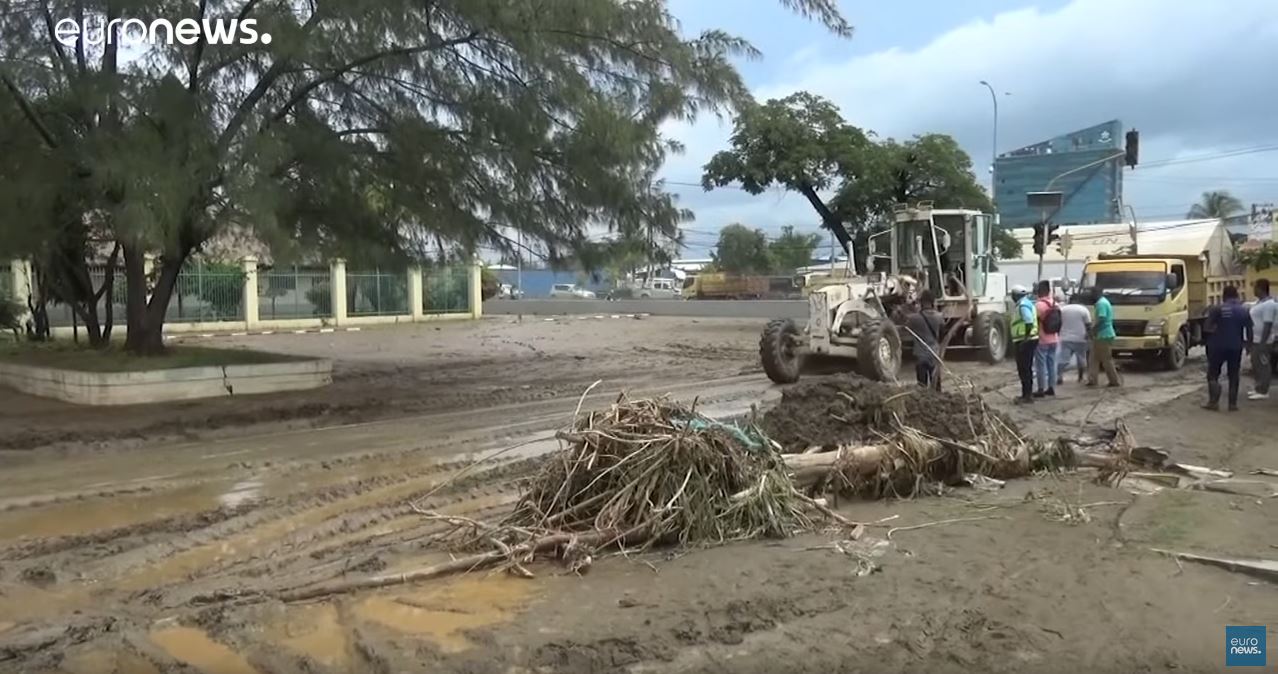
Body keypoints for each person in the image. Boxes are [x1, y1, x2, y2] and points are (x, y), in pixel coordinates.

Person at [1203, 285, 1253, 411]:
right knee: (1234, 375)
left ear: (1224, 296)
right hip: (1236, 347)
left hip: (1217, 346)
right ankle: (1232, 404)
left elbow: (1207, 327)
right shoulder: (1244, 310)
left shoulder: (1217, 309)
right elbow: (1249, 330)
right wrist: (1249, 345)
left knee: (1213, 374)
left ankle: (1213, 401)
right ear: (1237, 295)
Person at [906, 290, 943, 390]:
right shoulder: (939, 317)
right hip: (934, 355)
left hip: (920, 356)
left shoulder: (914, 318)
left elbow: (906, 328)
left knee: (922, 388)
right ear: (933, 302)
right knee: (936, 388)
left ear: (921, 302)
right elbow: (942, 335)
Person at [1086, 287, 1121, 388]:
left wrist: (1093, 329)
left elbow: (1101, 318)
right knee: (1094, 358)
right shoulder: (1104, 302)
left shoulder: (1101, 304)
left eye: (1092, 293)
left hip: (1103, 335)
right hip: (1103, 334)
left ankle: (1114, 380)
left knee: (1106, 359)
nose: (1091, 296)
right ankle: (1092, 379)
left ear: (1096, 293)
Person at [1248, 278, 1276, 400]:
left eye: (1255, 287)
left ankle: (1263, 390)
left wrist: (1263, 342)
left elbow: (1267, 324)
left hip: (1262, 340)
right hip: (1255, 339)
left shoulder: (1269, 305)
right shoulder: (1259, 303)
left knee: (1263, 364)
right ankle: (1258, 387)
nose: (1253, 290)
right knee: (1256, 363)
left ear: (1260, 289)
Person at [1010, 284, 1039, 404]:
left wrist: (1026, 338)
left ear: (1016, 295)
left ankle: (1027, 395)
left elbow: (1028, 321)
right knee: (1026, 368)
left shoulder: (1023, 305)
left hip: (1025, 340)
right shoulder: (1027, 303)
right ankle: (1027, 394)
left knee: (1024, 369)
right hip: (1028, 339)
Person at [1056, 293, 1092, 385]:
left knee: (1063, 359)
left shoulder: (1063, 309)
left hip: (1065, 338)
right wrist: (1089, 336)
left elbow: (1058, 323)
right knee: (1081, 358)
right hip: (1081, 338)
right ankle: (1080, 377)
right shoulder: (1083, 310)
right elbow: (1088, 325)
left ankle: (1059, 376)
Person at [1033, 280, 1060, 397]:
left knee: (1041, 365)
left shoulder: (1038, 305)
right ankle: (1051, 387)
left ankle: (1041, 389)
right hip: (1054, 338)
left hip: (1042, 339)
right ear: (1049, 291)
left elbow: (1033, 321)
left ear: (1039, 291)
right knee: (1052, 364)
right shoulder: (1055, 304)